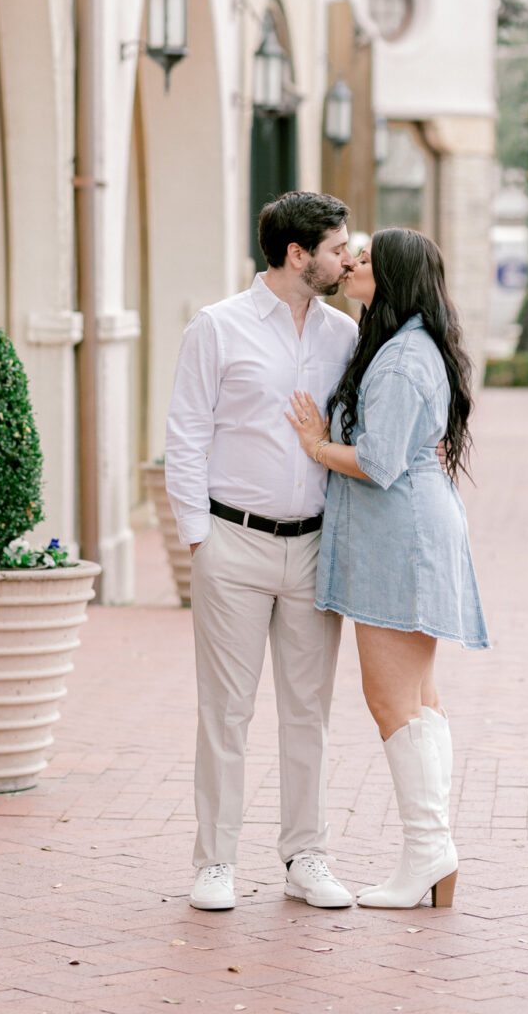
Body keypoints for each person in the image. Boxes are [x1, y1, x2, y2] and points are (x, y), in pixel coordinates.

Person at [164, 192, 359, 912]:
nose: (347, 259)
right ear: (297, 254)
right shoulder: (217, 326)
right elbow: (186, 432)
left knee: (309, 712)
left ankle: (307, 857)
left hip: (314, 546)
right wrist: (199, 537)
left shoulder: (344, 334)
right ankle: (215, 862)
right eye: (337, 248)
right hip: (233, 542)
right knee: (226, 712)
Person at [285, 228, 489, 910]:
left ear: (394, 276)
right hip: (404, 534)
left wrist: (316, 445)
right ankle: (432, 851)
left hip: (402, 540)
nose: (351, 262)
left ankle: (428, 852)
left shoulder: (403, 359)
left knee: (392, 702)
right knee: (419, 701)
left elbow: (377, 462)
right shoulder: (401, 345)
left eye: (366, 259)